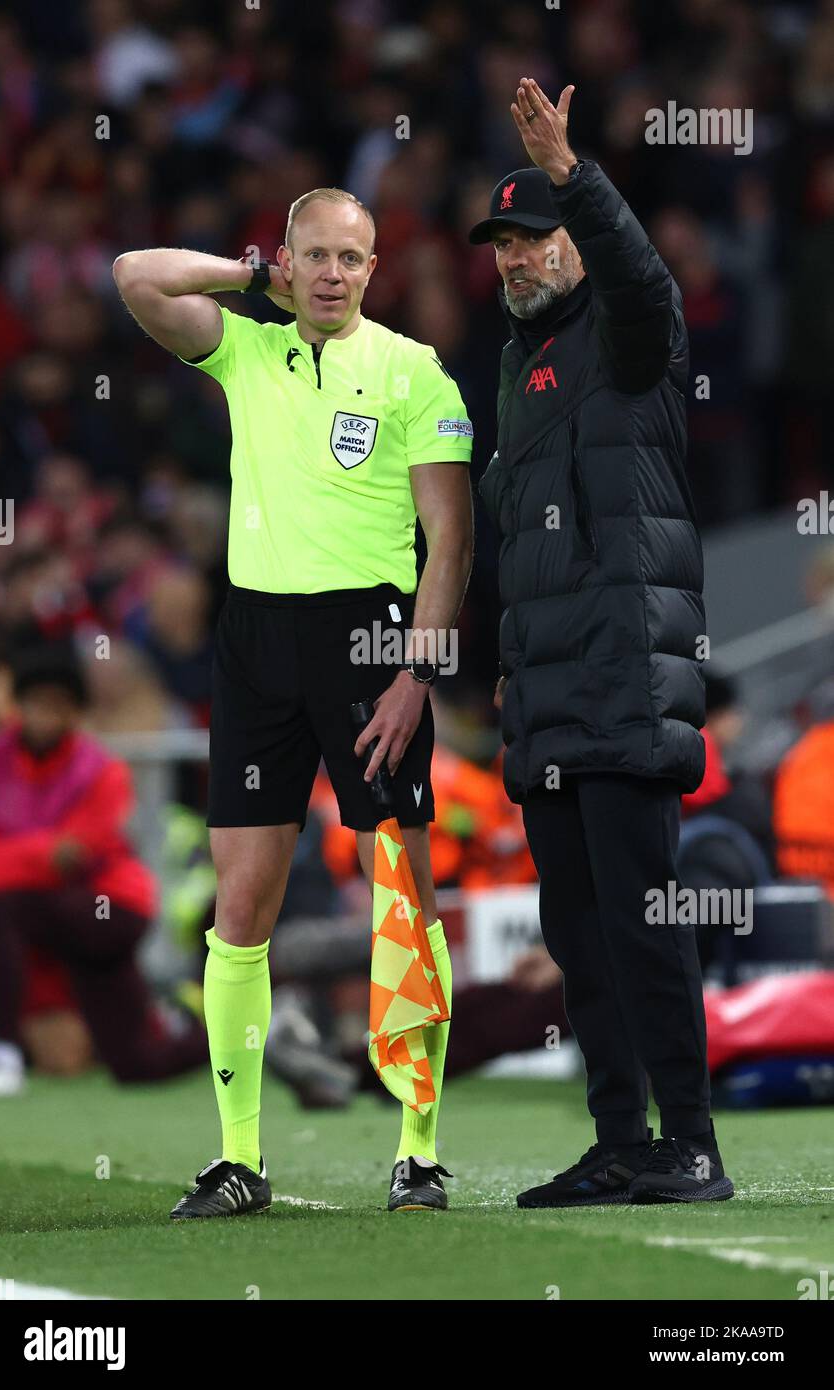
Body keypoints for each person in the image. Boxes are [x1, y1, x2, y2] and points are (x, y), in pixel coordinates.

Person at [113, 186, 474, 1218]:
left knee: (402, 895)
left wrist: (417, 669)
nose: (326, 273)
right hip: (255, 639)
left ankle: (416, 1150)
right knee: (241, 907)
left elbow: (448, 536)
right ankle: (239, 1160)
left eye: (346, 258)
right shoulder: (245, 349)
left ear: (373, 269)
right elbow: (132, 275)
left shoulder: (412, 372)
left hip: (370, 639)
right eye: (308, 255)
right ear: (284, 259)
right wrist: (240, 279)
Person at [475, 79, 733, 1206]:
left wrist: (576, 178)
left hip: (626, 677)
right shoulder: (515, 370)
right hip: (543, 694)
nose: (514, 260)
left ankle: (691, 1142)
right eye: (501, 247)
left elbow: (640, 275)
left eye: (532, 240)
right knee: (576, 934)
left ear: (573, 243)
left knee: (639, 921)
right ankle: (618, 1136)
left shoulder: (630, 339)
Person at [0, 646, 208, 1084]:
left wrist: (16, 854)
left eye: (59, 706)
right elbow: (0, 859)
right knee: (136, 1064)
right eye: (36, 704)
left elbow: (72, 856)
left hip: (111, 909)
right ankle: (236, 1035)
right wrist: (43, 852)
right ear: (18, 706)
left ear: (76, 713)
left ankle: (2, 1051)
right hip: (68, 918)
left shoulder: (103, 770)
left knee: (3, 907)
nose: (46, 716)